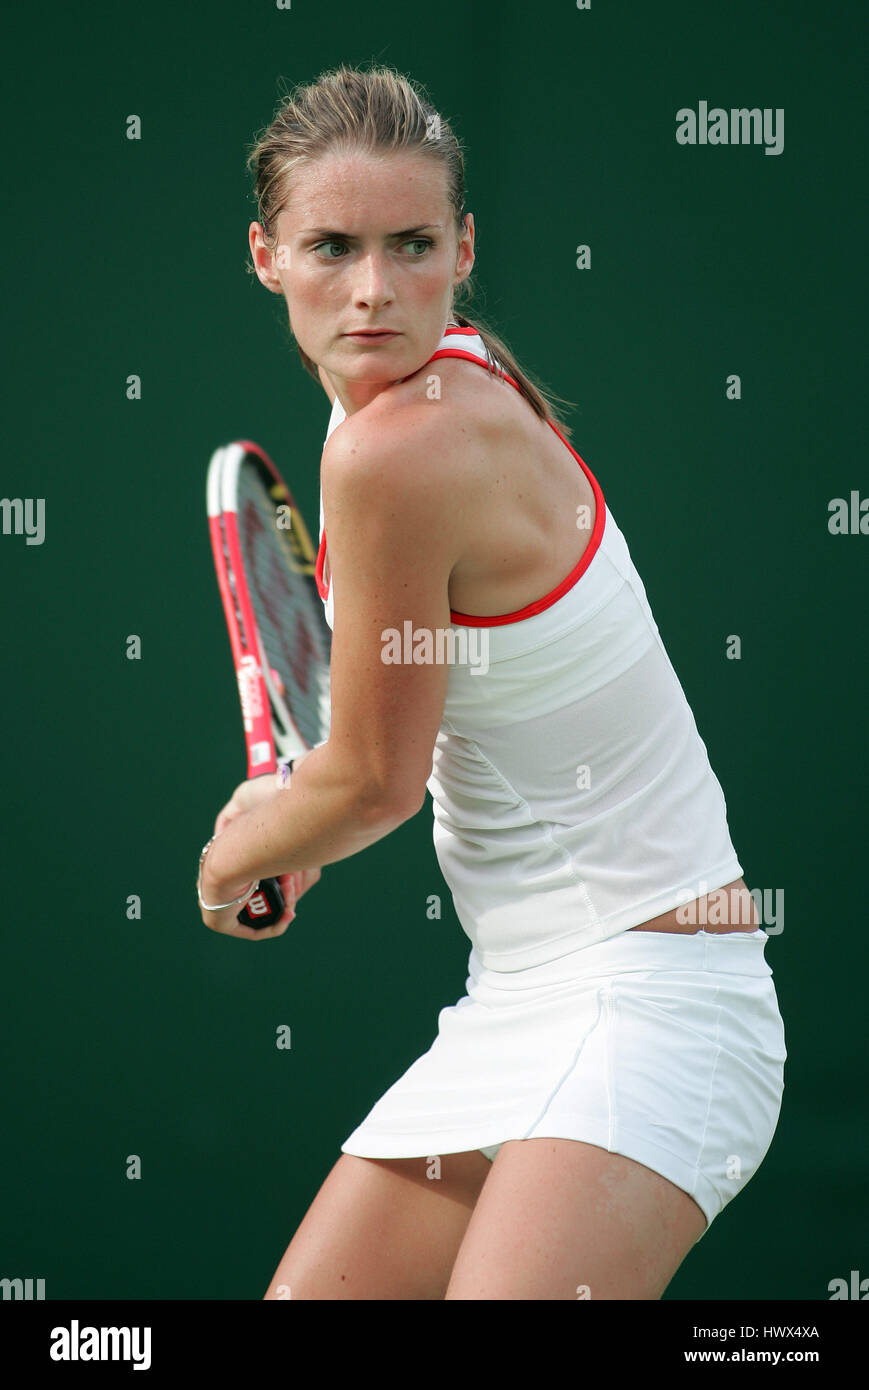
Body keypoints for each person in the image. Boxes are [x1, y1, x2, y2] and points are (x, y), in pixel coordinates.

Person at [198, 63, 787, 1301]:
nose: (373, 289)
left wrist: (235, 854)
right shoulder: (413, 394)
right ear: (264, 255)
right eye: (332, 247)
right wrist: (303, 825)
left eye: (412, 245)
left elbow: (370, 785)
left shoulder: (401, 446)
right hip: (517, 998)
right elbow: (387, 743)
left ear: (462, 246)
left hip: (656, 1003)